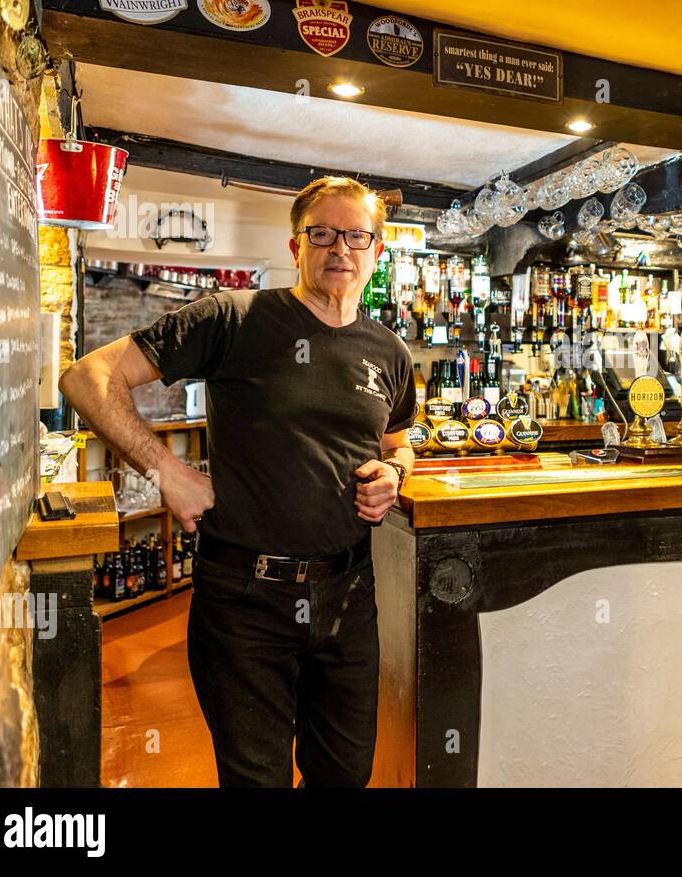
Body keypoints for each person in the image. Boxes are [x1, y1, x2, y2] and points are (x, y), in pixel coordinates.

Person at [61, 176, 416, 786]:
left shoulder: (388, 351)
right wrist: (165, 469)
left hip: (348, 597)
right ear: (295, 245)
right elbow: (87, 379)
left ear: (377, 251)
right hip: (244, 602)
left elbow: (399, 443)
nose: (340, 249)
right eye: (322, 234)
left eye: (357, 236)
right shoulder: (234, 318)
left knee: (346, 776)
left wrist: (395, 472)